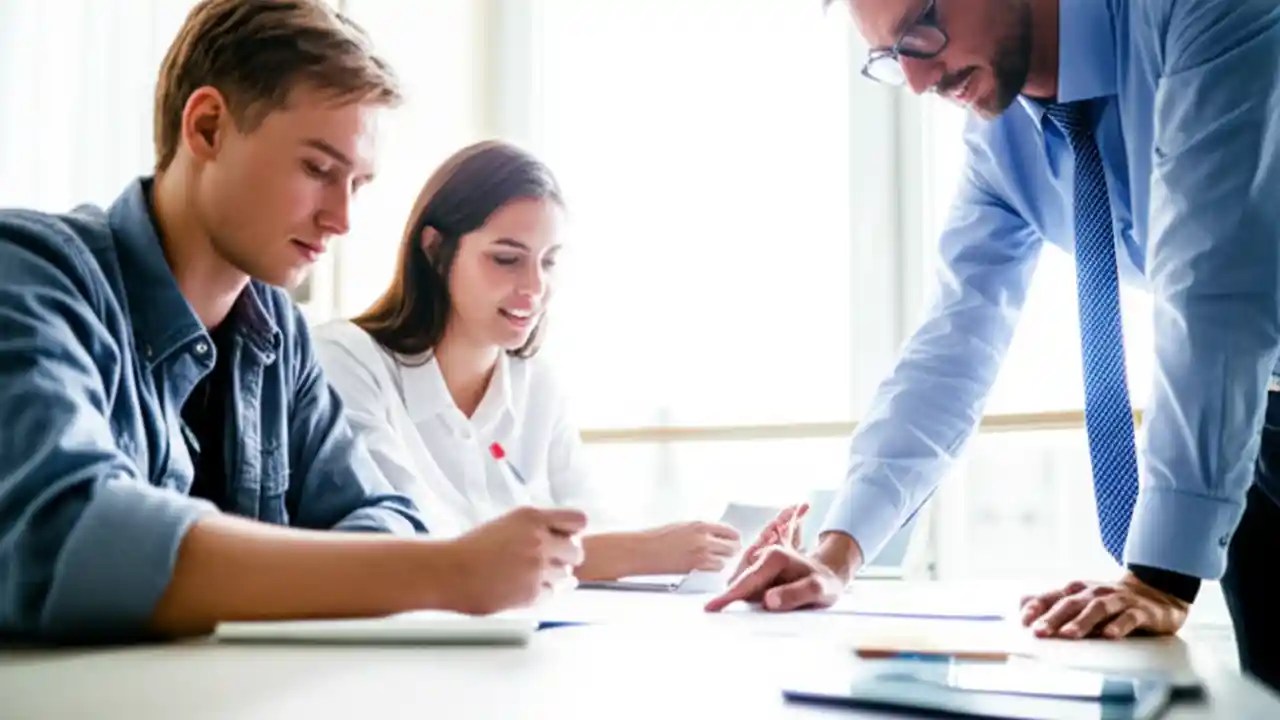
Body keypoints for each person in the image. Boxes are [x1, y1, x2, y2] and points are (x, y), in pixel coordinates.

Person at [709, 0, 1280, 691]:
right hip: (1248, 420)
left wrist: (1159, 575)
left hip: (1230, 374)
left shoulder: (1202, 12)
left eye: (921, 28)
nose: (918, 81)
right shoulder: (1001, 142)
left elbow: (1213, 280)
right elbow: (955, 339)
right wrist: (837, 552)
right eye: (893, 57)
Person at [0, 0, 584, 643]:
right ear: (208, 127)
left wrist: (408, 567)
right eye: (317, 169)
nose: (341, 219)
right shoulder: (33, 273)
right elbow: (68, 535)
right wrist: (442, 572)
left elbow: (381, 515)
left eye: (357, 184)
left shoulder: (279, 337)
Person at [313, 140, 745, 581]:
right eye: (507, 259)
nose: (535, 286)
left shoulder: (537, 386)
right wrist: (641, 551)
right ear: (435, 249)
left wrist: (699, 551)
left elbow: (591, 521)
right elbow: (410, 542)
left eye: (549, 262)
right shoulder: (346, 361)